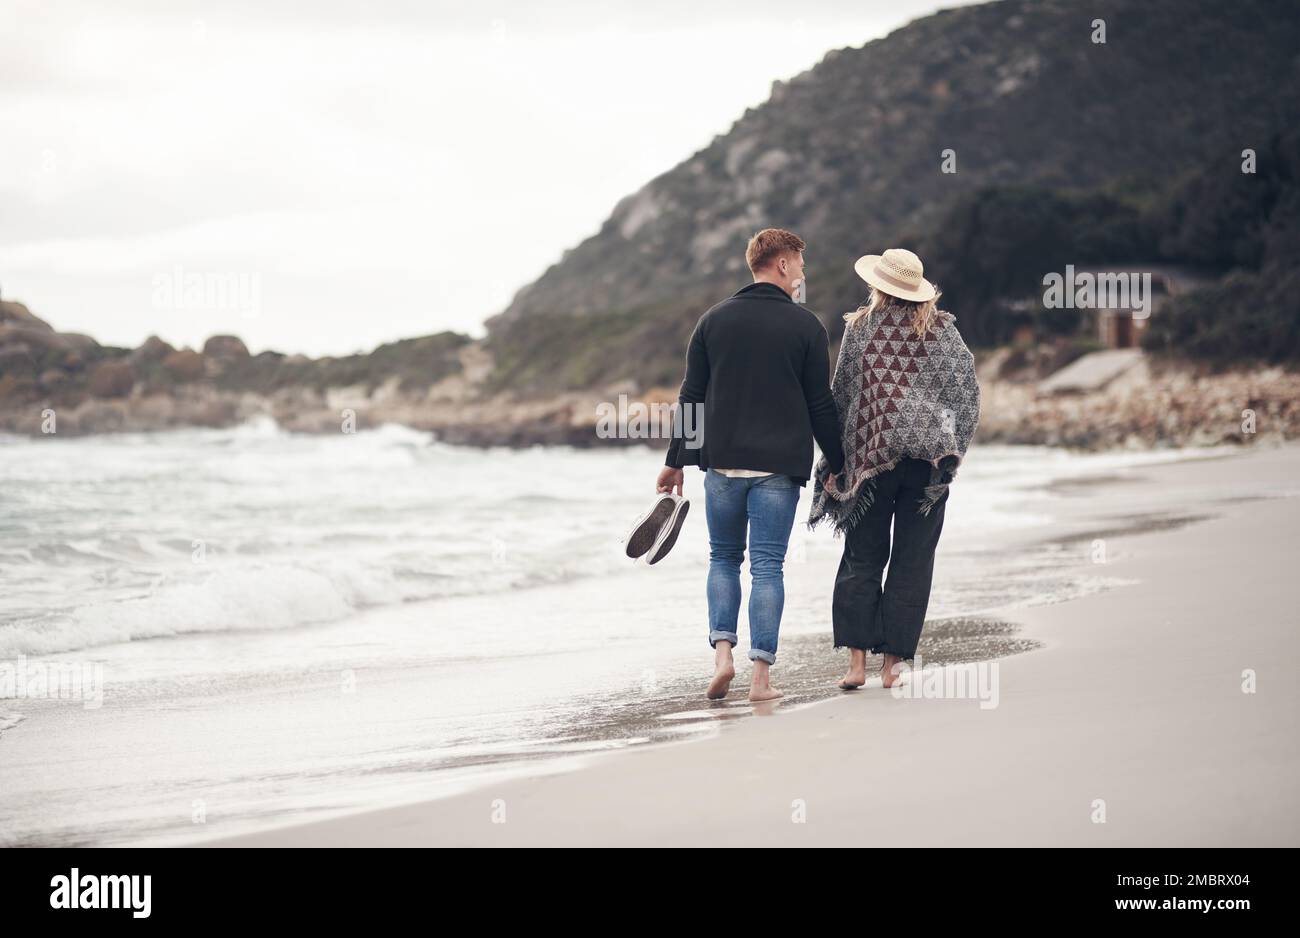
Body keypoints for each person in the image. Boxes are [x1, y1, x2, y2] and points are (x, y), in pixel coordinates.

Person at [658, 228, 843, 701]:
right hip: (778, 469)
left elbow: (691, 397)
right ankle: (761, 678)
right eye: (800, 262)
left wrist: (675, 461)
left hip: (722, 465)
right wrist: (838, 460)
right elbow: (820, 403)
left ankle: (722, 655)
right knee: (767, 567)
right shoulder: (806, 327)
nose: (803, 271)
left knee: (723, 559)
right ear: (781, 264)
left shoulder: (712, 321)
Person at [808, 248, 980, 689]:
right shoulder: (944, 332)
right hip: (927, 469)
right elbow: (967, 395)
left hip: (871, 462)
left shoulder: (861, 329)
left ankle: (856, 665)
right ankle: (894, 667)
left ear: (879, 286)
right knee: (913, 560)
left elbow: (842, 395)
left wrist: (836, 461)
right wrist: (952, 449)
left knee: (861, 557)